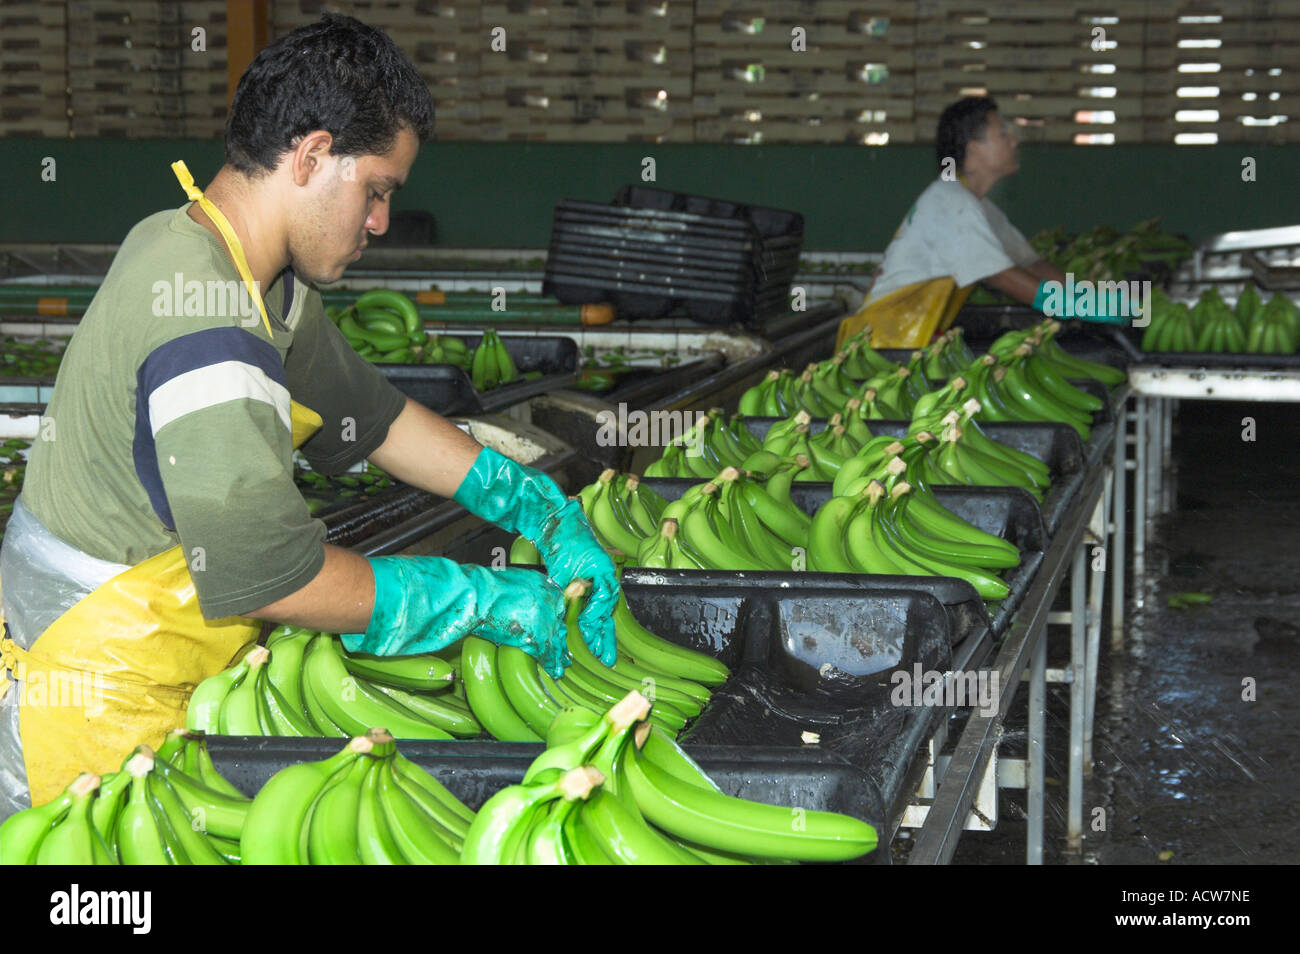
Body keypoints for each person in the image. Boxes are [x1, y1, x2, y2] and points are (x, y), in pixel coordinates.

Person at [0, 14, 618, 816]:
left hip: (165, 649)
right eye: (376, 191)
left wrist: (531, 503)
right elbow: (275, 576)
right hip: (93, 688)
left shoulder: (246, 274)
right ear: (311, 155)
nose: (381, 223)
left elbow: (378, 419)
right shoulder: (207, 320)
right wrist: (479, 598)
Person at [836, 96, 1128, 349]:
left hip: (909, 340)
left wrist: (1094, 297)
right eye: (1002, 134)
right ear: (974, 148)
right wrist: (1079, 307)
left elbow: (1031, 265)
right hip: (880, 347)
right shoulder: (951, 203)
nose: (1013, 141)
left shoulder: (976, 206)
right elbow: (1002, 277)